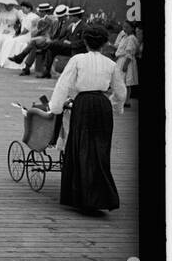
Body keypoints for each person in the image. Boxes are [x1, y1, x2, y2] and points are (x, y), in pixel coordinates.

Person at [47, 25, 126, 214]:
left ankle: (82, 197)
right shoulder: (111, 64)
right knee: (100, 149)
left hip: (83, 104)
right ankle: (99, 196)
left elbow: (63, 84)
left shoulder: (78, 60)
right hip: (102, 104)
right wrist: (115, 105)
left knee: (81, 147)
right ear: (105, 44)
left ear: (85, 42)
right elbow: (121, 92)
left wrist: (55, 107)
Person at [0, 2, 40, 67]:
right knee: (8, 40)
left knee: (11, 41)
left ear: (29, 9)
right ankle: (5, 61)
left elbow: (26, 30)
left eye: (24, 9)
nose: (22, 10)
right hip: (25, 35)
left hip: (28, 36)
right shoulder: (26, 16)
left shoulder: (31, 17)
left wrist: (19, 35)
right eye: (22, 9)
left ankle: (11, 61)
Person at [114, 24, 141, 109]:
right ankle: (121, 100)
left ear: (132, 28)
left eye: (127, 27)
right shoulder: (124, 37)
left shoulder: (131, 38)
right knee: (121, 82)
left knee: (126, 82)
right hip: (121, 59)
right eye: (124, 27)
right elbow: (118, 47)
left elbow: (130, 52)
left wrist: (125, 64)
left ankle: (127, 101)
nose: (124, 29)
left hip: (126, 61)